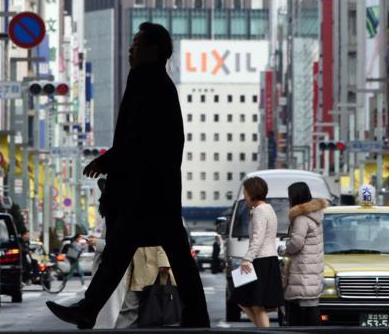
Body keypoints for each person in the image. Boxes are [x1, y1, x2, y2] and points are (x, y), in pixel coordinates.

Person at [46, 22, 210, 329]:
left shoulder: (148, 83)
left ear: (154, 50)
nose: (131, 49)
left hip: (144, 191)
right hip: (156, 189)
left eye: (137, 44)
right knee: (143, 253)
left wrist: (107, 161)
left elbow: (138, 138)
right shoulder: (159, 83)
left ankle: (90, 308)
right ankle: (92, 308)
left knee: (126, 253)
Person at [230, 177, 283, 328]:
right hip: (267, 259)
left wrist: (247, 258)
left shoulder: (259, 211)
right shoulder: (268, 209)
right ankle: (261, 329)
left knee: (255, 304)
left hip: (260, 260)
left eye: (245, 192)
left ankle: (263, 331)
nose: (244, 196)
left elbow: (258, 238)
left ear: (252, 193)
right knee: (248, 301)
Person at [280, 182, 327, 326]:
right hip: (312, 270)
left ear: (295, 198)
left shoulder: (301, 218)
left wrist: (284, 249)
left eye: (290, 197)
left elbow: (296, 244)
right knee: (311, 307)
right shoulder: (315, 215)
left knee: (298, 316)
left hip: (302, 271)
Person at [115, 247, 175, 328]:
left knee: (157, 310)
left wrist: (164, 262)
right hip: (138, 270)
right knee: (131, 310)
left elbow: (162, 238)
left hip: (155, 271)